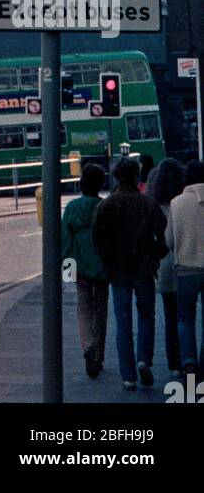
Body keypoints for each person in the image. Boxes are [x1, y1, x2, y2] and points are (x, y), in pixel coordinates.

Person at [93, 156, 168, 391]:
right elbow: (163, 238)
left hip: (118, 272)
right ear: (137, 176)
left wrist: (108, 260)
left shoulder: (106, 205)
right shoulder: (149, 204)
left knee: (122, 323)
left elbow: (97, 241)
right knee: (146, 317)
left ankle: (128, 376)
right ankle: (144, 360)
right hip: (144, 269)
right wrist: (155, 255)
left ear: (116, 177)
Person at [61, 163, 108, 378]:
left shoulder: (72, 208)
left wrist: (67, 272)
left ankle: (87, 346)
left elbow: (65, 243)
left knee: (83, 309)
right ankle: (98, 355)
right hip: (102, 268)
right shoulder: (104, 207)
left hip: (80, 269)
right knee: (101, 311)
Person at [147, 157, 186, 379]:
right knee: (186, 316)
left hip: (165, 266)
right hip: (186, 263)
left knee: (170, 317)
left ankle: (174, 363)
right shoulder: (182, 203)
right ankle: (188, 356)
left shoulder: (155, 206)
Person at [165, 159, 204, 377]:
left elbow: (169, 240)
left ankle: (188, 361)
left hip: (187, 267)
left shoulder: (177, 203)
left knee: (185, 317)